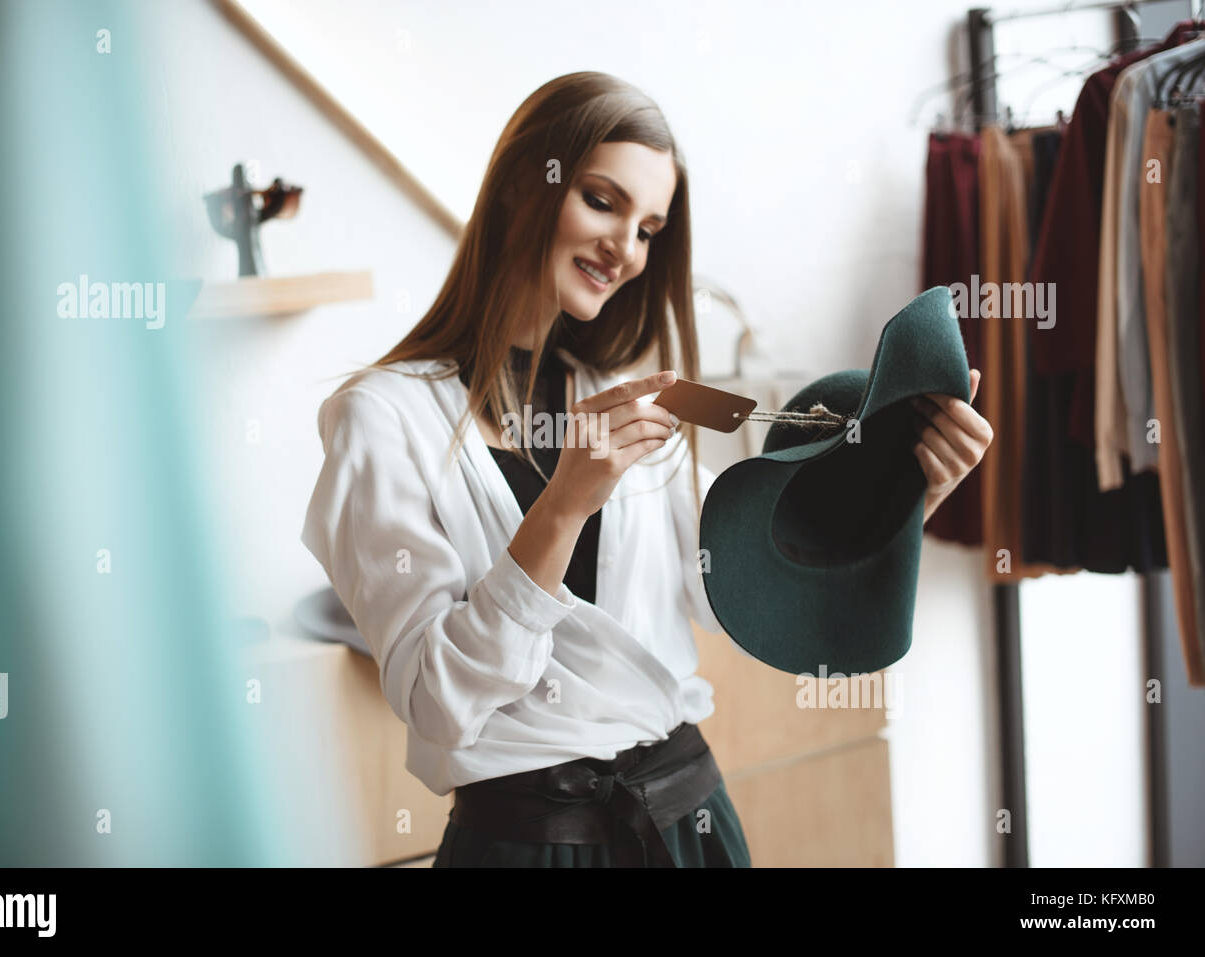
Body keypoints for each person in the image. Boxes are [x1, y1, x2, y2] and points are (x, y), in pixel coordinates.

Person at [301, 71, 990, 868]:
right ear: (526, 185)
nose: (626, 249)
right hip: (524, 845)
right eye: (603, 201)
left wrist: (912, 491)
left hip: (687, 823)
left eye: (649, 227)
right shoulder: (381, 417)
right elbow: (434, 700)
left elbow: (744, 579)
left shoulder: (626, 401)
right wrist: (562, 507)